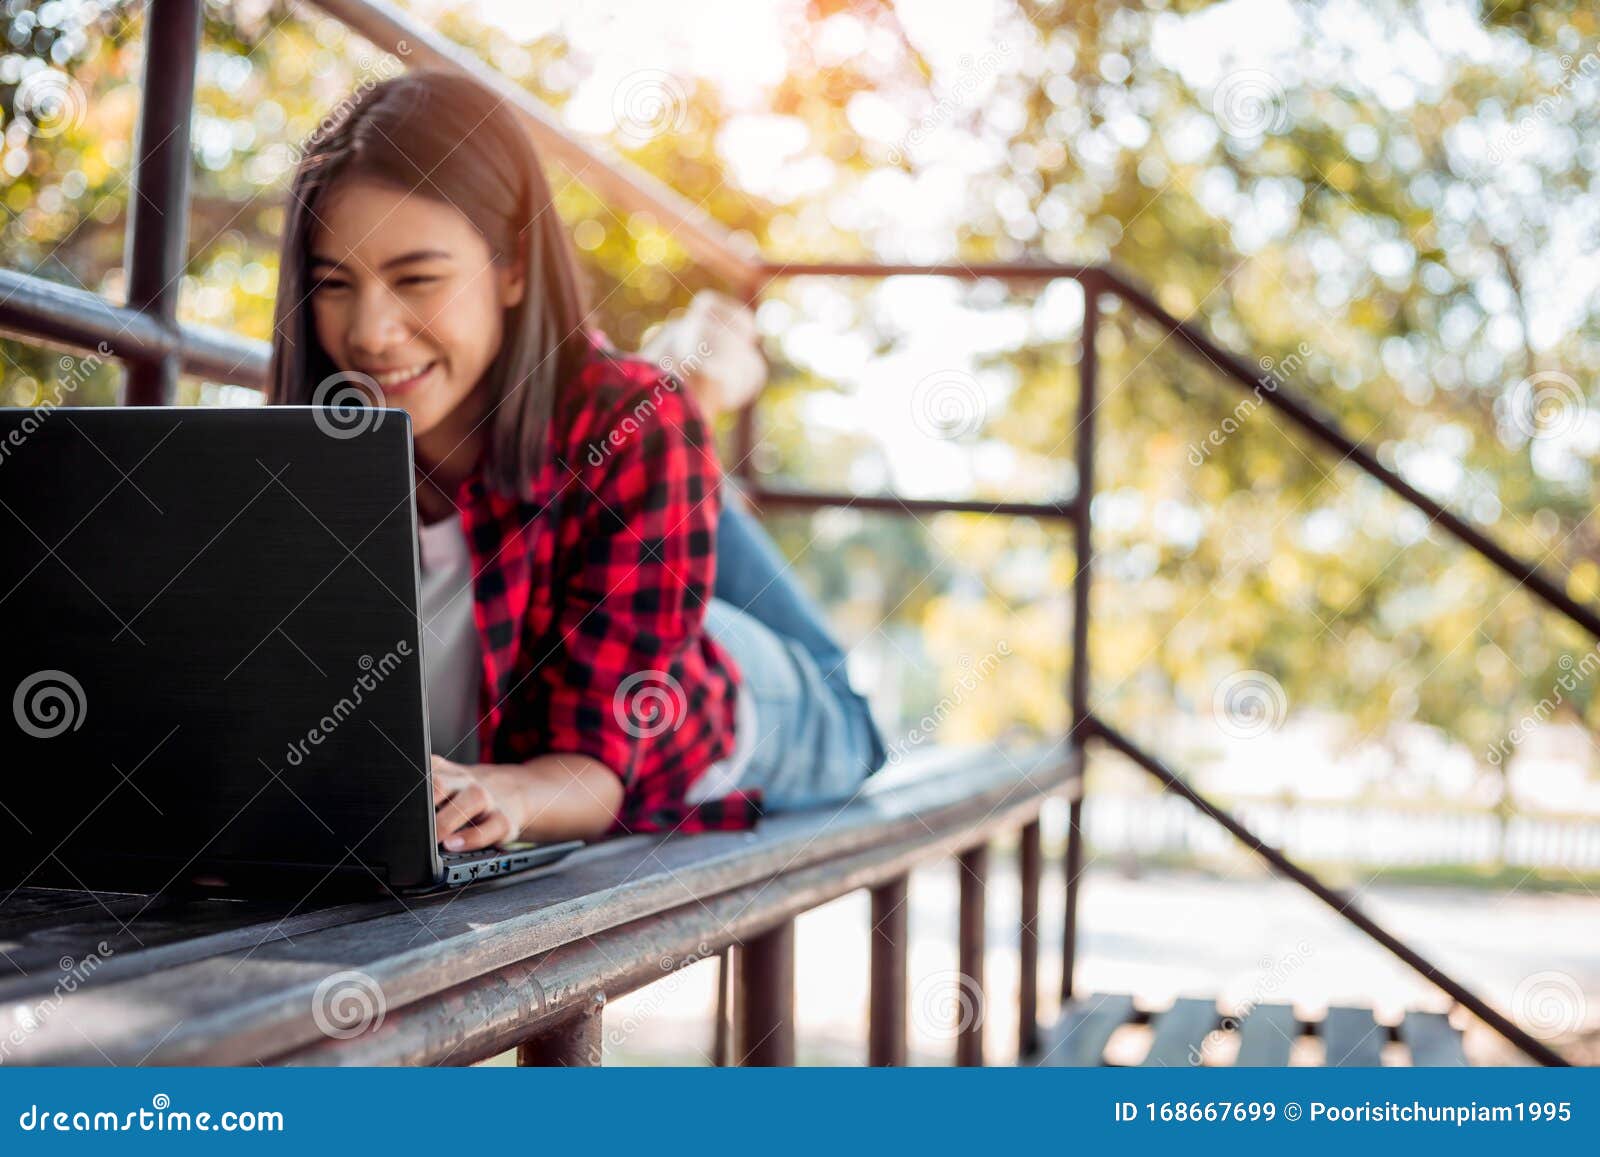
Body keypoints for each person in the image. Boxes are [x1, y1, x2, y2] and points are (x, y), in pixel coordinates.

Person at [266, 71, 886, 851]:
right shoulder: (294, 466)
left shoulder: (630, 424)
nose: (371, 332)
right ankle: (689, 425)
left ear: (514, 265)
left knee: (855, 723)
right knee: (643, 432)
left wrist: (507, 791)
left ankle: (689, 412)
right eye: (333, 284)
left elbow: (595, 767)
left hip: (739, 705)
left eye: (416, 279)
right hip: (613, 478)